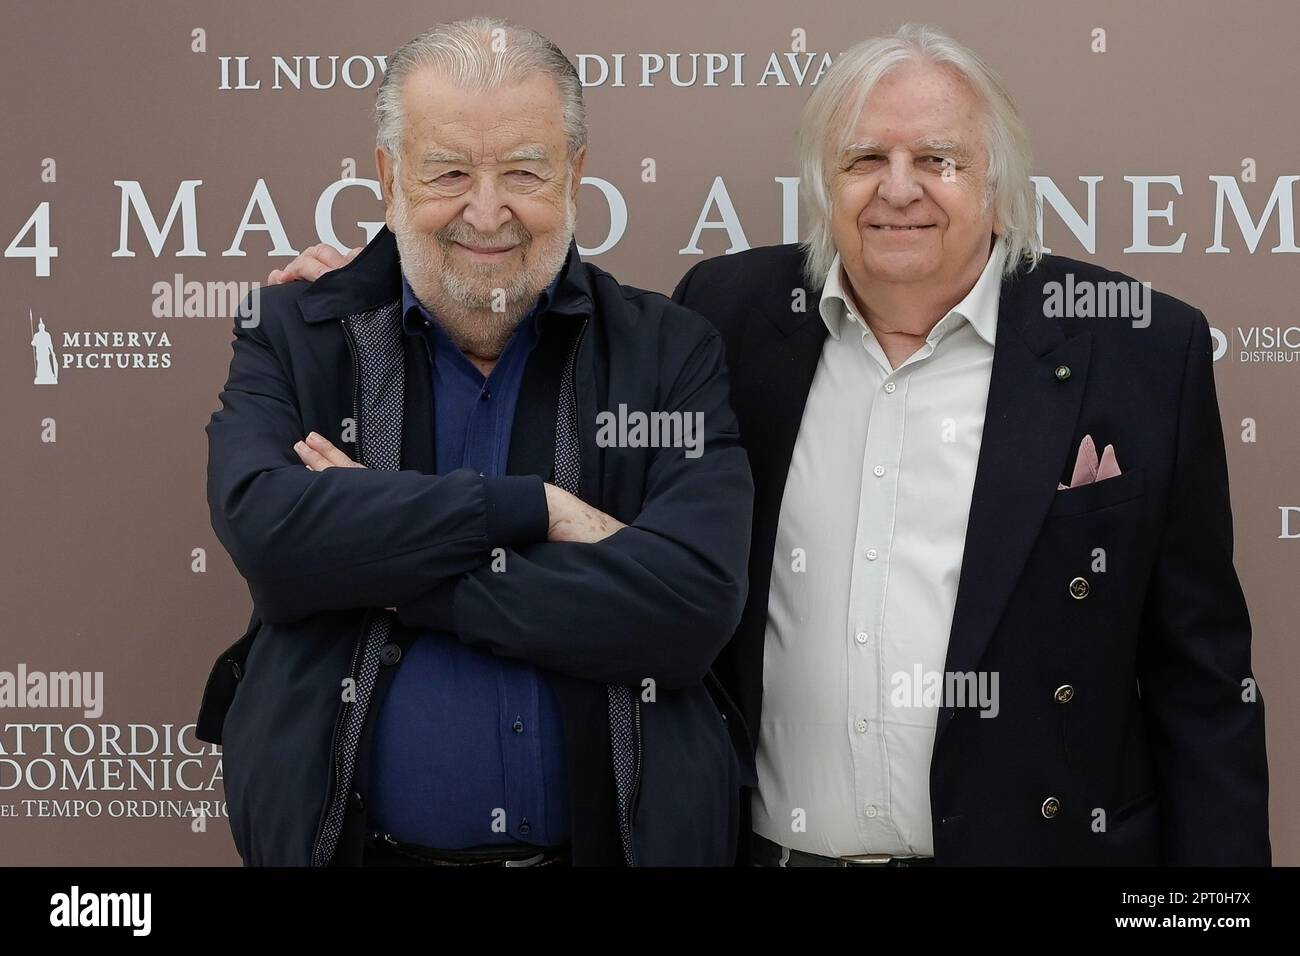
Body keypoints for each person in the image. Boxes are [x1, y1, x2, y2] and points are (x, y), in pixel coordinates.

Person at [271, 22, 1270, 866]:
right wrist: (386, 282)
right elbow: (537, 306)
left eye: (938, 160)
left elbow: (1202, 679)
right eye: (864, 160)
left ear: (999, 184)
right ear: (822, 183)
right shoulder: (734, 314)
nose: (899, 190)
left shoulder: (1137, 348)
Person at [196, 17, 754, 868]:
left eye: (523, 172)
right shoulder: (299, 334)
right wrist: (537, 510)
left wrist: (381, 565)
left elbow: (689, 610)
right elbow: (272, 538)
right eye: (449, 171)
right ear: (390, 177)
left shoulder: (669, 350)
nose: (486, 211)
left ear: (574, 175)